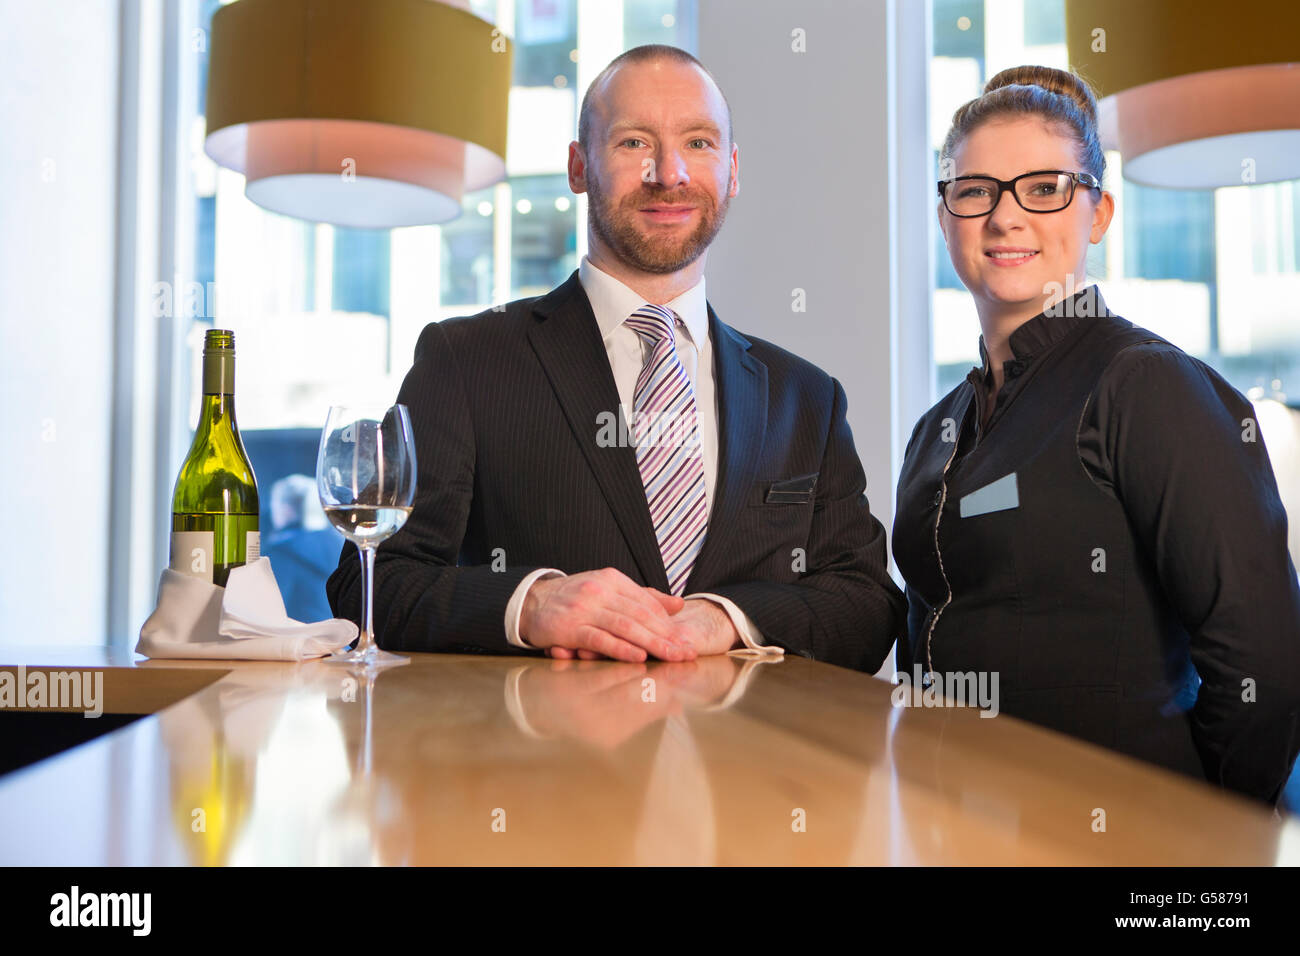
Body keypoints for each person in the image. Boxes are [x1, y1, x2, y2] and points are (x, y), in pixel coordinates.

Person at [327, 45, 906, 671]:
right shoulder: (465, 360)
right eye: (633, 143)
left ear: (732, 171)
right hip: (541, 761)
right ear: (579, 166)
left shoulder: (807, 398)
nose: (669, 173)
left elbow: (866, 605)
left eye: (700, 143)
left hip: (746, 763)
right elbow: (370, 587)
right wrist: (531, 604)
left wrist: (728, 619)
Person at [892, 64, 1300, 805]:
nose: (1006, 217)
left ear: (1100, 214)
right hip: (949, 823)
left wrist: (1200, 824)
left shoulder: (1146, 386)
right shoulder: (937, 428)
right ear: (946, 212)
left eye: (1044, 188)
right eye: (976, 189)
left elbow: (1264, 665)